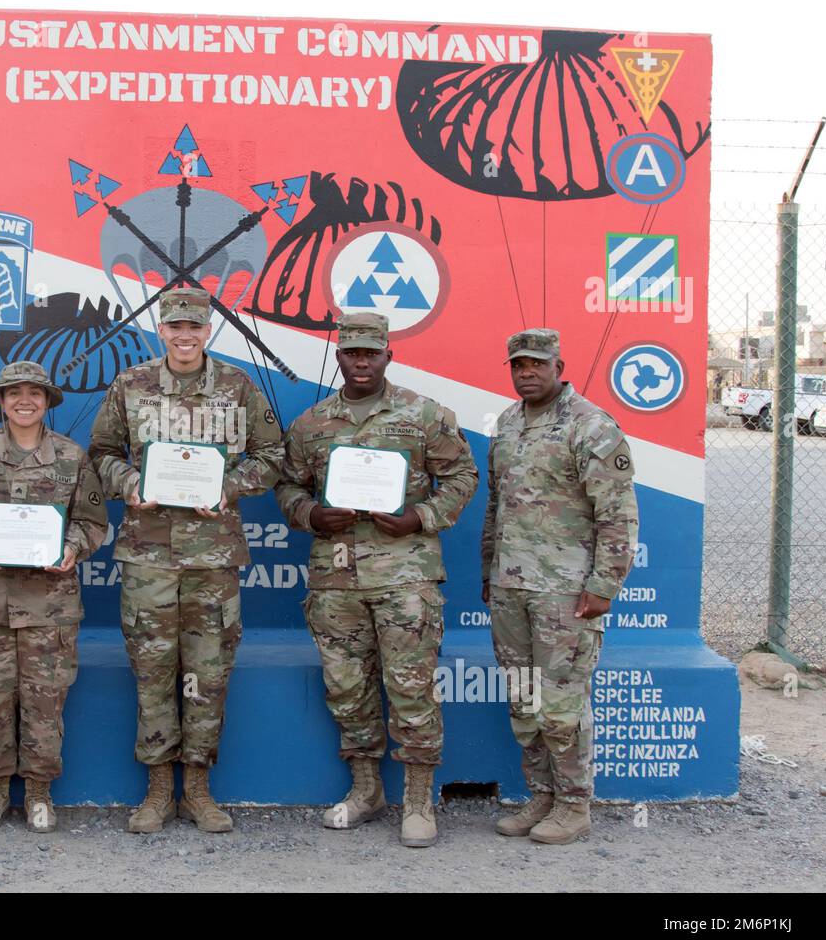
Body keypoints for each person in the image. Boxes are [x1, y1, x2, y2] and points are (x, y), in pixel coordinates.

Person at [275, 312, 478, 847]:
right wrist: (310, 516)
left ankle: (417, 798)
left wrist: (422, 517)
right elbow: (288, 485)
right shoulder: (312, 423)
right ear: (338, 357)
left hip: (404, 575)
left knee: (410, 687)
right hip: (336, 578)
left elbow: (462, 474)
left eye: (371, 353)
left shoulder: (424, 415)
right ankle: (367, 788)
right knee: (347, 688)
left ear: (389, 355)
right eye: (351, 353)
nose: (361, 362)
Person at [88, 287, 284, 834]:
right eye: (174, 327)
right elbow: (101, 453)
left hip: (212, 558)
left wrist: (229, 486)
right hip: (148, 555)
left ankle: (197, 786)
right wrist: (130, 483)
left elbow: (273, 455)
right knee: (152, 672)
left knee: (208, 671)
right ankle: (156, 791)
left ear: (208, 332)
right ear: (160, 329)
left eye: (193, 328)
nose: (184, 336)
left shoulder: (238, 387)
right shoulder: (131, 385)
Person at [482, 328, 638, 844]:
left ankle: (574, 805)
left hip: (566, 593)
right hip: (511, 587)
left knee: (562, 702)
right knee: (525, 699)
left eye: (536, 364)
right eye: (518, 365)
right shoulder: (506, 424)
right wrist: (490, 572)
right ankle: (541, 796)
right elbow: (496, 508)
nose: (527, 373)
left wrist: (603, 585)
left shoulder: (591, 426)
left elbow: (617, 515)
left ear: (558, 366)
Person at [0, 361, 107, 832]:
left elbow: (92, 521)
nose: (24, 401)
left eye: (34, 393)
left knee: (44, 701)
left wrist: (72, 548)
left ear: (48, 400)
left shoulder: (72, 457)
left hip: (49, 605)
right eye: (14, 393)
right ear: (0, 401)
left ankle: (38, 792)